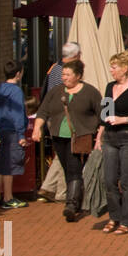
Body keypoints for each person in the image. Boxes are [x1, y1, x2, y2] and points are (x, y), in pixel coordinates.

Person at [31, 59, 101, 223]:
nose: (64, 77)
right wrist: (37, 128)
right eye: (63, 74)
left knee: (74, 168)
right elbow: (42, 111)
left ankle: (71, 205)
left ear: (78, 76)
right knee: (67, 169)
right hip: (58, 137)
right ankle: (78, 199)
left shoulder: (91, 92)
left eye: (68, 75)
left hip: (80, 137)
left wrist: (101, 134)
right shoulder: (56, 91)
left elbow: (103, 113)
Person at [96, 51, 128, 235]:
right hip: (110, 138)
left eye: (114, 67)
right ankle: (114, 217)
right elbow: (105, 114)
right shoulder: (109, 87)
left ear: (125, 68)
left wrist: (122, 119)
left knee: (126, 181)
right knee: (109, 180)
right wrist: (98, 137)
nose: (111, 70)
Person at [0, 60, 28, 210]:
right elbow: (17, 113)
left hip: (3, 129)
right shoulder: (16, 91)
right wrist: (21, 134)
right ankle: (8, 197)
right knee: (10, 164)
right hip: (12, 131)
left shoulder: (1, 88)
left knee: (3, 162)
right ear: (18, 74)